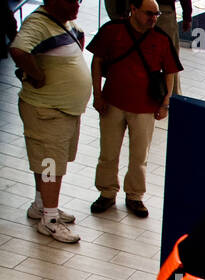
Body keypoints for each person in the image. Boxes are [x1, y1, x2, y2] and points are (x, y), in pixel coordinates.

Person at [87, 0, 181, 218]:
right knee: (108, 153)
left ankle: (135, 196)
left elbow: (170, 72)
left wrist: (165, 102)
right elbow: (97, 61)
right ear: (133, 9)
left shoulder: (161, 39)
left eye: (156, 14)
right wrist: (97, 94)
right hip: (112, 103)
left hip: (145, 107)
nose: (154, 18)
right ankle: (107, 192)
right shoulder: (112, 31)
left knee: (139, 157)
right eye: (149, 13)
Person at [9, 0, 92, 243]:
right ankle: (50, 220)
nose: (77, 5)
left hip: (62, 110)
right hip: (46, 111)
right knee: (50, 166)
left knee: (48, 163)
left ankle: (41, 205)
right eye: (71, 0)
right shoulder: (38, 23)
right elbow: (18, 50)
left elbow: (79, 36)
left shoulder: (64, 19)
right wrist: (37, 74)